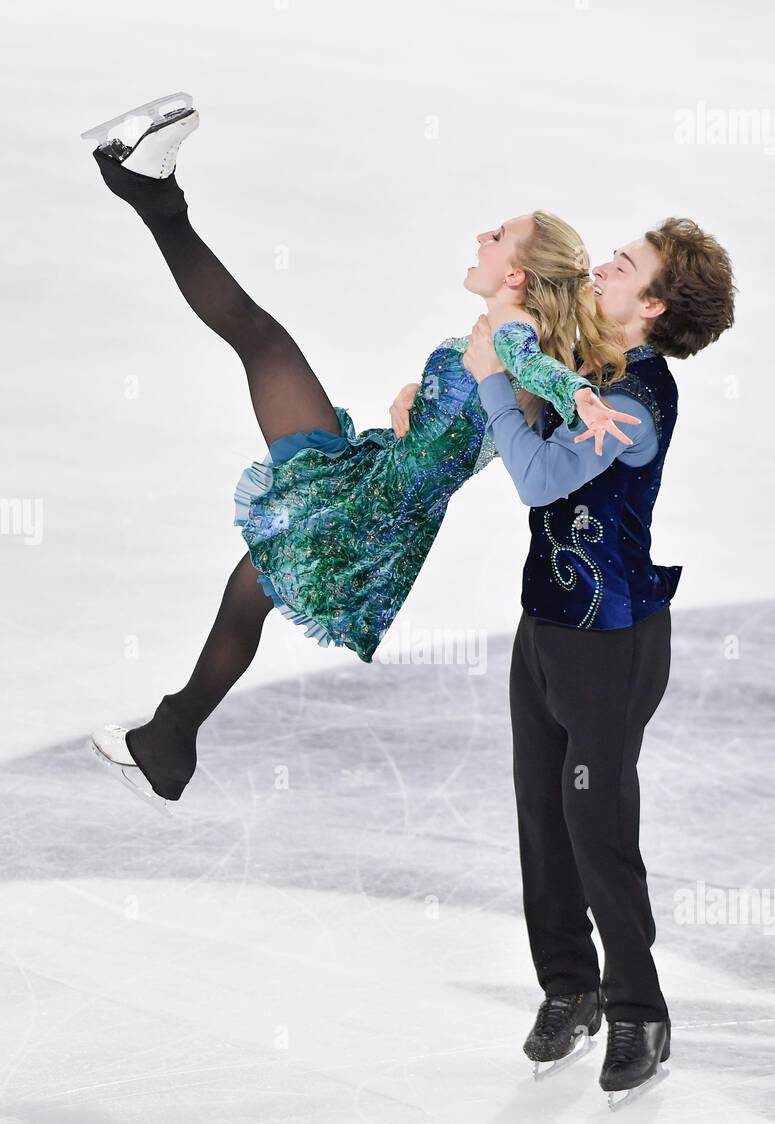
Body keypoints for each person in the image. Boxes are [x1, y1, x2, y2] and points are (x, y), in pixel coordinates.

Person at [81, 95, 637, 807]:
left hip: (377, 505)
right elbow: (482, 408)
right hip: (382, 472)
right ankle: (171, 737)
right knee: (261, 351)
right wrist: (421, 393)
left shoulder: (512, 334)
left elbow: (529, 372)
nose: (481, 236)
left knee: (260, 560)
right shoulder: (504, 326)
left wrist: (576, 394)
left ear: (520, 276)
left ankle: (172, 737)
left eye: (498, 236)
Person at [459, 219, 736, 1102]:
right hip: (544, 623)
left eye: (627, 265)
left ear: (650, 307)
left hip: (611, 642)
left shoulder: (639, 402)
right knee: (542, 817)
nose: (606, 262)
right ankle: (569, 989)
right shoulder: (584, 353)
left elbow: (540, 476)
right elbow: (505, 341)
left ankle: (638, 1011)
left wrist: (495, 385)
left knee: (597, 827)